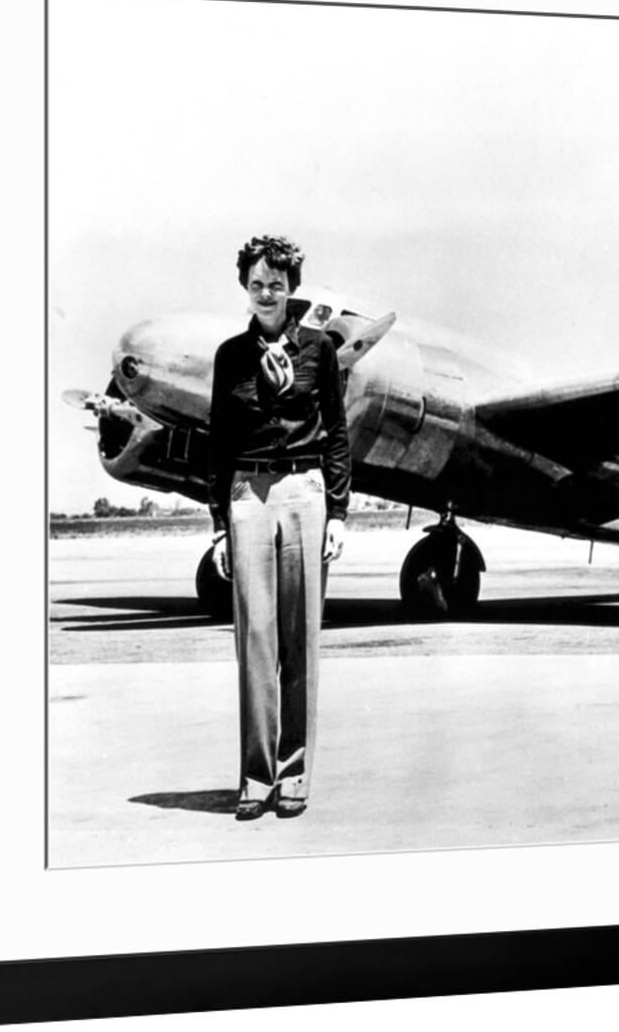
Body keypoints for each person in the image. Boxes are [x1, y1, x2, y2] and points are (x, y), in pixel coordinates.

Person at [205, 236, 350, 821]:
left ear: (293, 287)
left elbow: (337, 433)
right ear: (245, 286)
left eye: (277, 283)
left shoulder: (319, 350)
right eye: (257, 283)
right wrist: (220, 524)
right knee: (255, 643)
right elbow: (218, 444)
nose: (267, 292)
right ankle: (255, 777)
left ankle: (294, 776)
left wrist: (338, 513)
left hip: (304, 490)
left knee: (299, 643)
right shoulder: (229, 357)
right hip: (247, 493)